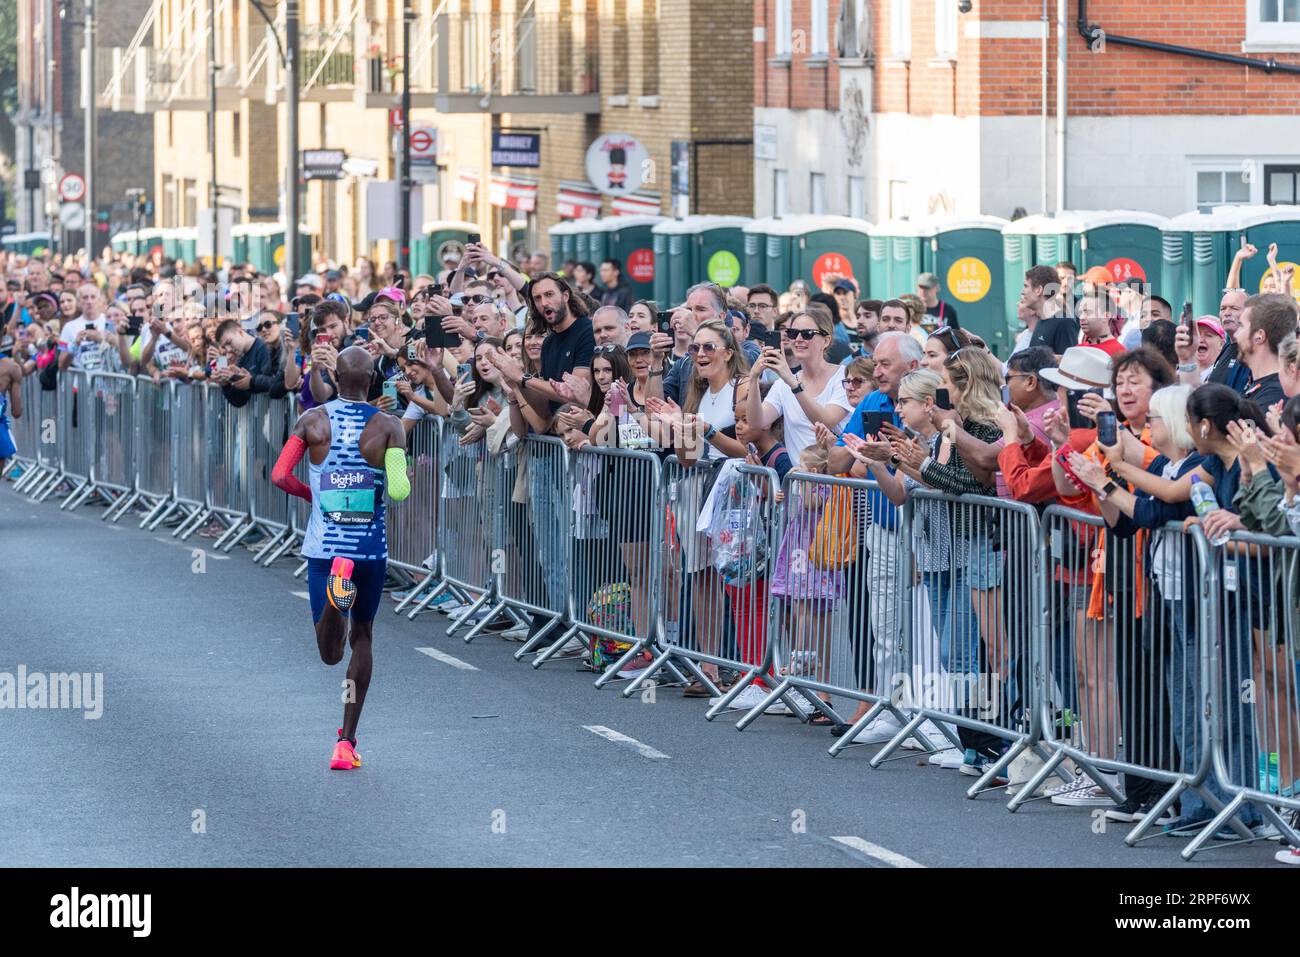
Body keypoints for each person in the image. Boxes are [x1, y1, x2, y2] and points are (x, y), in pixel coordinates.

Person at [270, 346, 410, 770]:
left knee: (328, 653)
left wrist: (312, 493)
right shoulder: (389, 425)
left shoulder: (311, 420)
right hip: (367, 549)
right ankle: (346, 741)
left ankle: (335, 597)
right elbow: (400, 491)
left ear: (335, 376)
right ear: (371, 380)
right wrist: (388, 476)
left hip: (325, 547)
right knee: (361, 638)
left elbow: (279, 475)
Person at [644, 320, 749, 696]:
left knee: (738, 580)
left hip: (735, 493)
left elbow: (748, 449)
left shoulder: (743, 389)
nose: (700, 355)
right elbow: (687, 460)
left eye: (708, 348)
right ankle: (708, 665)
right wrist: (680, 426)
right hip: (694, 489)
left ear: (728, 352)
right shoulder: (695, 394)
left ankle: (743, 667)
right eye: (695, 349)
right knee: (702, 580)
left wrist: (703, 430)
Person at [744, 307, 852, 461]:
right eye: (793, 333)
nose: (798, 339)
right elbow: (756, 422)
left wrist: (793, 383)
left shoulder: (843, 376)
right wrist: (754, 378)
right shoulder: (783, 384)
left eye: (807, 334)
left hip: (836, 480)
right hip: (799, 482)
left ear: (826, 341)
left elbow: (826, 420)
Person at [1235, 293, 1297, 411]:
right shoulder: (1261, 386)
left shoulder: (1275, 395)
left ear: (1259, 336)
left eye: (1241, 326)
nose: (1236, 334)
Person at [212, 318, 273, 408]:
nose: (228, 349)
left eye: (229, 342)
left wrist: (250, 381)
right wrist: (226, 384)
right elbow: (240, 401)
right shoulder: (241, 359)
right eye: (224, 347)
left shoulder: (263, 348)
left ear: (240, 331)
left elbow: (273, 382)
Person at [1023, 265, 1078, 358]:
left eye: (1026, 286)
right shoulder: (1040, 322)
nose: (1023, 292)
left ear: (1038, 290)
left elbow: (1068, 364)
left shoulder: (1064, 323)